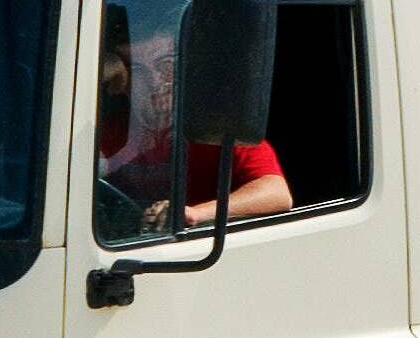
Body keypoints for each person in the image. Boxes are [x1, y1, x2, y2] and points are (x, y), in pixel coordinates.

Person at [96, 19, 293, 236]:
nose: (156, 82)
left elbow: (276, 193)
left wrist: (193, 214)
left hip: (193, 249)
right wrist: (100, 72)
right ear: (121, 83)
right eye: (139, 71)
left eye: (166, 66)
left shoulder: (214, 128)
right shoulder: (110, 130)